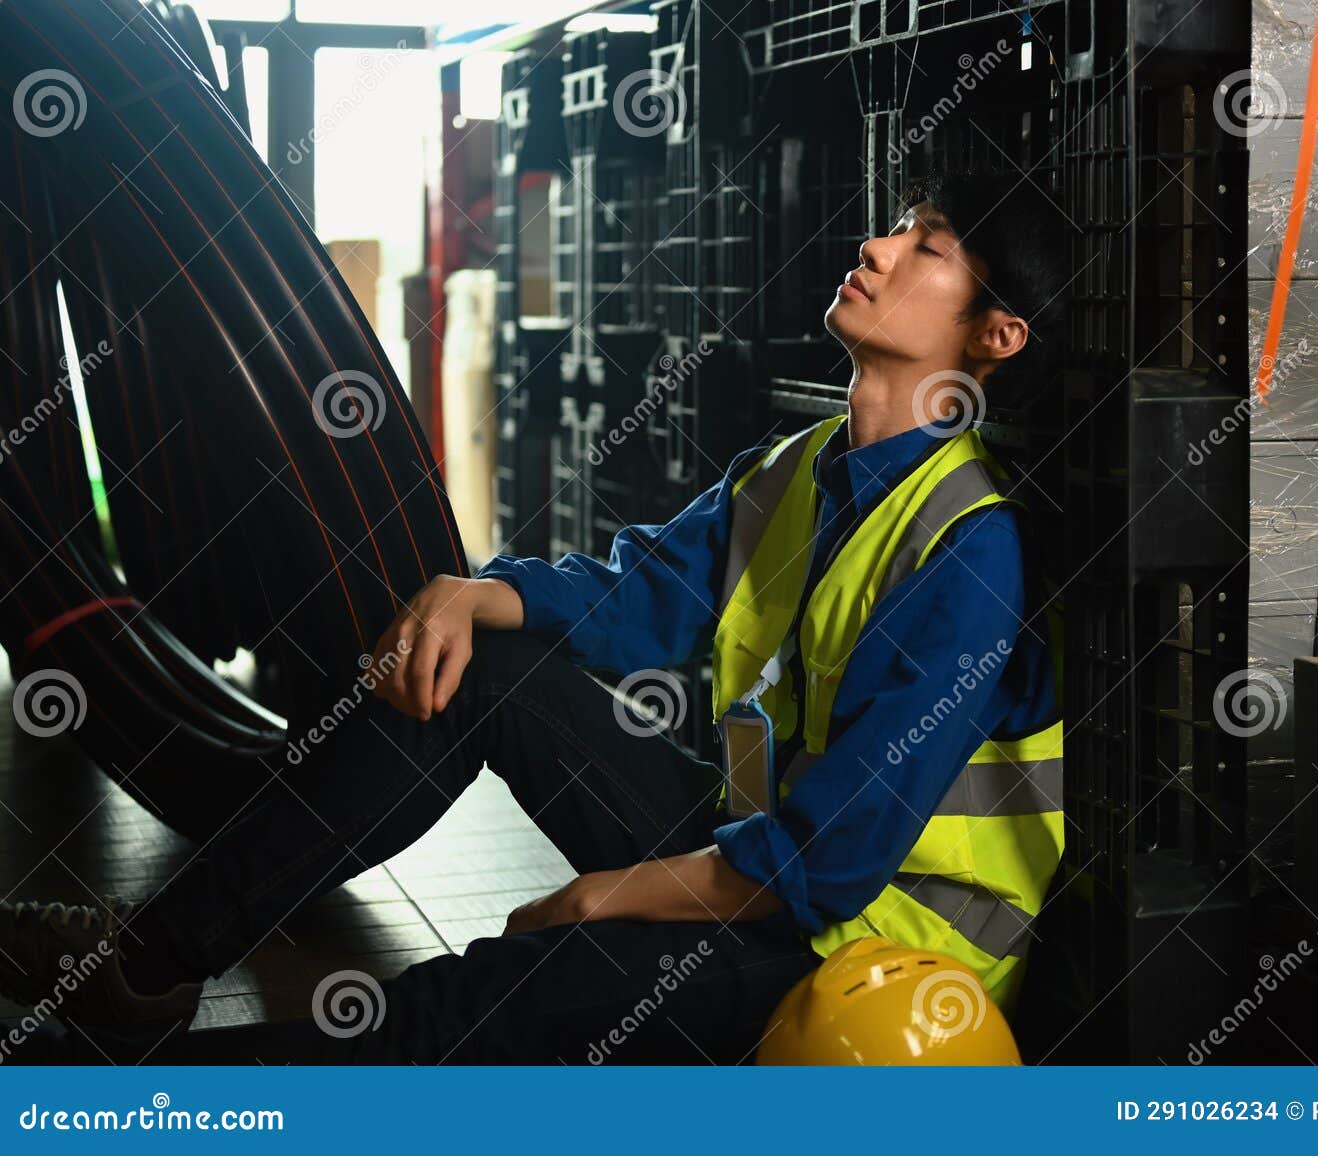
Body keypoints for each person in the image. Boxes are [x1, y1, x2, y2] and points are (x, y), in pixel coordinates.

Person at [0, 166, 1070, 1063]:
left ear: (996, 336)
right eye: (897, 226)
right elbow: (642, 593)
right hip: (757, 865)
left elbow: (832, 862)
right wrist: (480, 591)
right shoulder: (795, 472)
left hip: (864, 951)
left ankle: (76, 1087)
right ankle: (142, 967)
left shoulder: (969, 549)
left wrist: (601, 898)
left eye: (926, 248)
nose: (878, 247)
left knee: (465, 1008)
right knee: (485, 664)